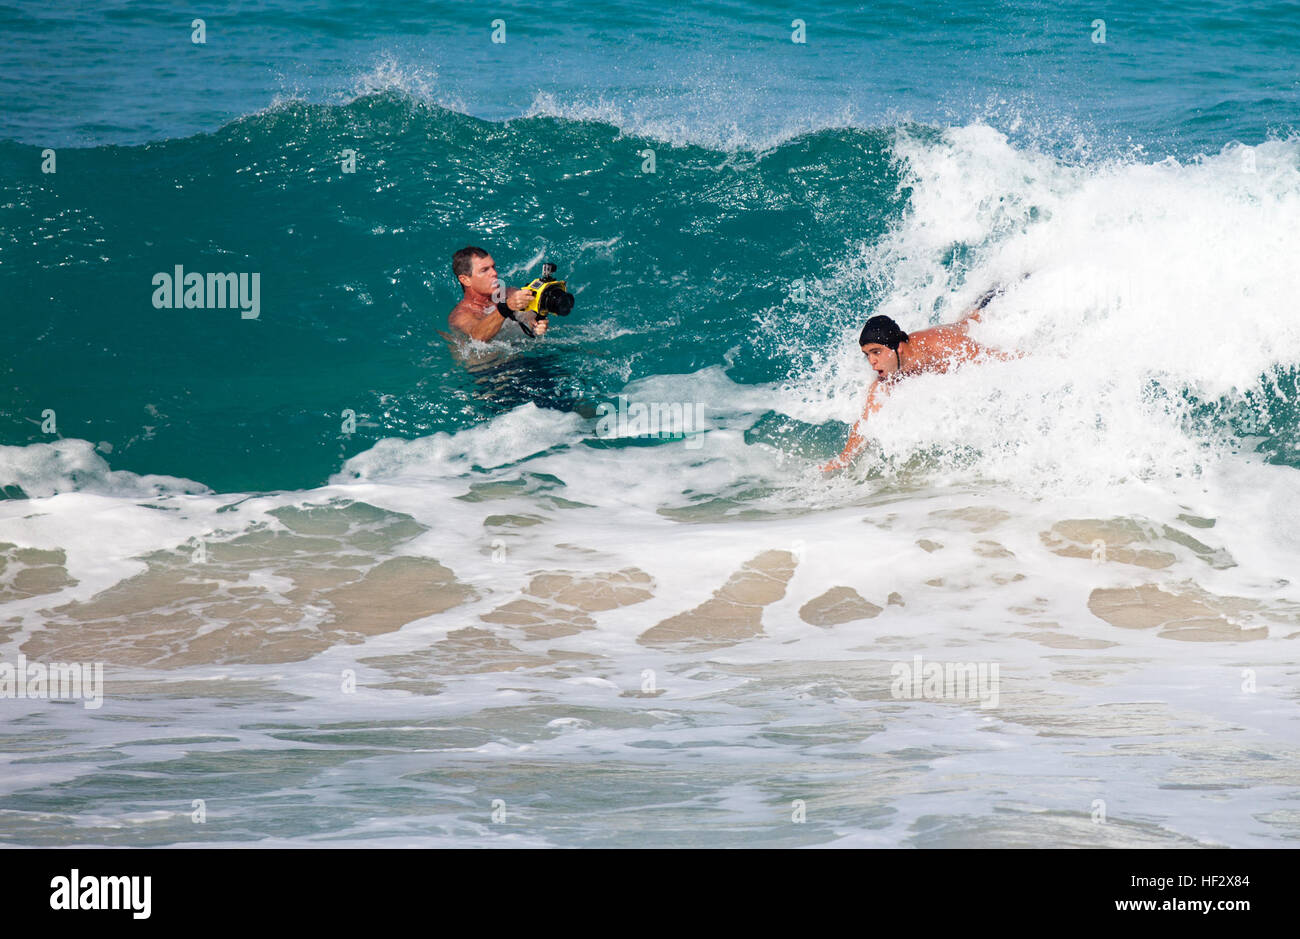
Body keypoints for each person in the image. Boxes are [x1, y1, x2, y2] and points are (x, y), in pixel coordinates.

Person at [821, 289, 1019, 471]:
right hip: (959, 326)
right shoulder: (885, 377)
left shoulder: (941, 347)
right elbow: (866, 420)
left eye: (876, 352)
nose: (872, 361)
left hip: (981, 316)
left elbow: (993, 359)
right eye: (867, 354)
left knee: (986, 307)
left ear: (897, 347)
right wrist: (844, 458)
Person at [447, 246, 547, 341]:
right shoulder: (461, 316)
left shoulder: (510, 293)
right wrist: (506, 307)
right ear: (465, 280)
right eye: (484, 270)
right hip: (491, 359)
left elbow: (530, 316)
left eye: (493, 267)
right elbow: (477, 336)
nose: (494, 273)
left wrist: (536, 322)